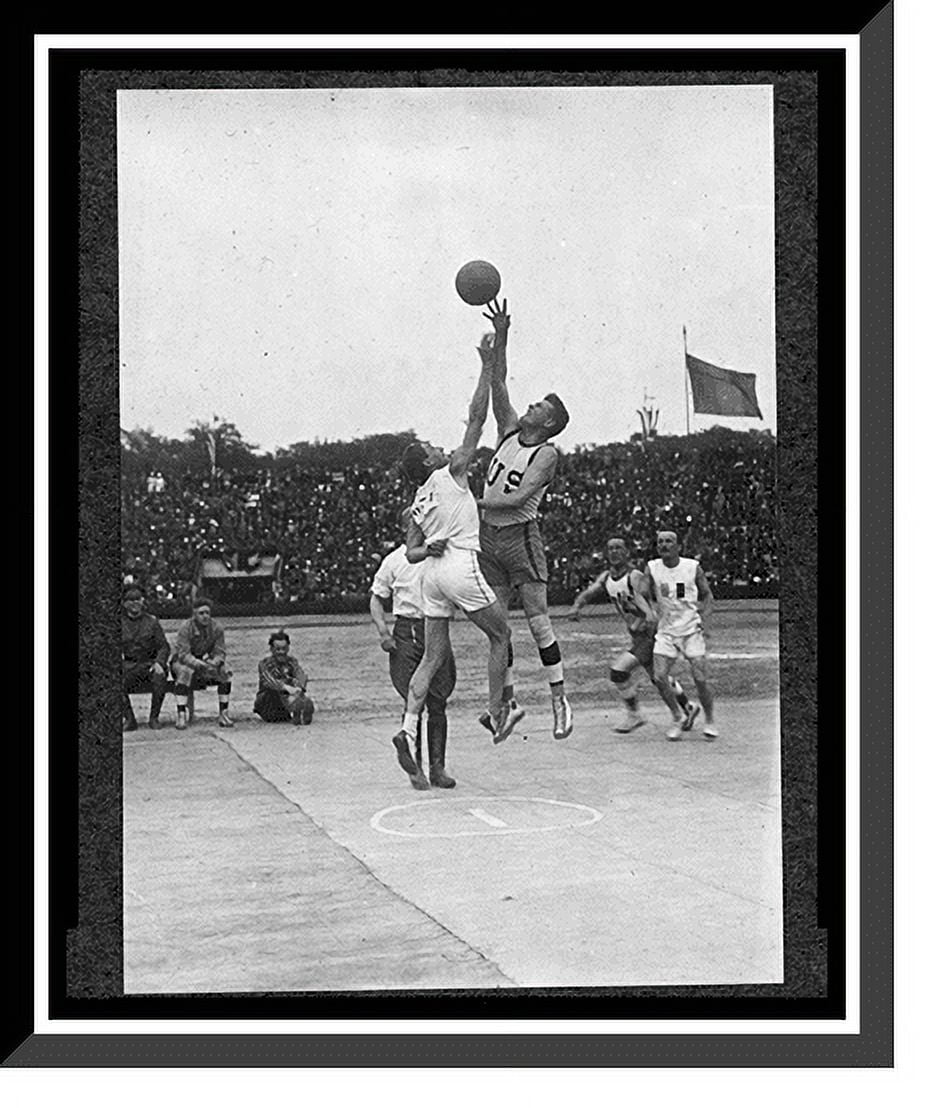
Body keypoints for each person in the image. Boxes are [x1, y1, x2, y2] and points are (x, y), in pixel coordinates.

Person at [391, 331, 523, 788]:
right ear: (425, 460)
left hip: (430, 576)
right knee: (501, 634)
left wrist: (428, 547)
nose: (437, 447)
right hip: (461, 565)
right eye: (429, 448)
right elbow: (476, 417)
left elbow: (410, 551)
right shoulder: (449, 472)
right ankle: (495, 713)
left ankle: (407, 729)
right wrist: (488, 366)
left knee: (432, 657)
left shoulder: (415, 503)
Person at [474, 299, 573, 741]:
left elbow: (518, 498)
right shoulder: (510, 430)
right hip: (490, 541)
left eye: (539, 406)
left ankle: (559, 698)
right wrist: (501, 338)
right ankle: (508, 703)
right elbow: (499, 382)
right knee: (498, 625)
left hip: (519, 537)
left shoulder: (547, 453)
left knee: (537, 620)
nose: (529, 405)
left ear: (549, 423)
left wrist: (472, 504)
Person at [568, 537, 699, 734]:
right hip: (637, 636)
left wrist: (644, 618)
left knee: (619, 671)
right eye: (610, 548)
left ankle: (635, 714)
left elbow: (647, 606)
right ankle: (688, 707)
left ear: (627, 552)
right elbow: (588, 593)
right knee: (658, 678)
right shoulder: (606, 578)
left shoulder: (635, 576)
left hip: (648, 634)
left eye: (619, 548)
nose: (614, 552)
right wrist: (577, 606)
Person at [370, 509, 457, 790]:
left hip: (437, 629)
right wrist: (384, 633)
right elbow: (376, 598)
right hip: (407, 631)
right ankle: (415, 768)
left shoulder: (442, 553)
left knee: (439, 700)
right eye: (413, 523)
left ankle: (438, 769)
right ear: (404, 528)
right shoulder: (394, 560)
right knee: (413, 701)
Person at [646, 530, 718, 740]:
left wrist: (704, 620)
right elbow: (641, 593)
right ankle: (678, 716)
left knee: (700, 679)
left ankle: (710, 720)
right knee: (659, 677)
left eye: (669, 541)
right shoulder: (652, 568)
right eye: (660, 542)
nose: (664, 545)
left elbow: (707, 596)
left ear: (678, 546)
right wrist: (648, 612)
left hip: (690, 630)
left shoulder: (692, 567)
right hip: (667, 631)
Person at [170, 596, 234, 730]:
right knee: (185, 672)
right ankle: (181, 714)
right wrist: (199, 664)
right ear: (194, 615)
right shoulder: (185, 628)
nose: (205, 616)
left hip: (204, 661)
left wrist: (214, 663)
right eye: (201, 613)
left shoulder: (216, 628)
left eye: (207, 613)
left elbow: (220, 651)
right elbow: (183, 654)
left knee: (225, 671)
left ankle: (224, 713)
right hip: (181, 662)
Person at [121, 584, 169, 730]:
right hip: (129, 665)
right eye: (131, 599)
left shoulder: (152, 622)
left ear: (143, 601)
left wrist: (159, 662)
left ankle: (154, 718)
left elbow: (163, 646)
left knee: (160, 677)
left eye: (138, 599)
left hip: (150, 664)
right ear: (124, 603)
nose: (135, 603)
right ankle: (129, 719)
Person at [253, 630, 315, 725]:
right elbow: (269, 681)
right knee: (275, 689)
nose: (281, 652)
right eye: (278, 649)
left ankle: (299, 708)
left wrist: (298, 687)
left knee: (296, 685)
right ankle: (296, 707)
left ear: (288, 648)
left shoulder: (292, 662)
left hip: (287, 700)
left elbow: (300, 674)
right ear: (272, 649)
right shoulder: (264, 664)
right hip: (268, 703)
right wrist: (286, 688)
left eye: (284, 649)